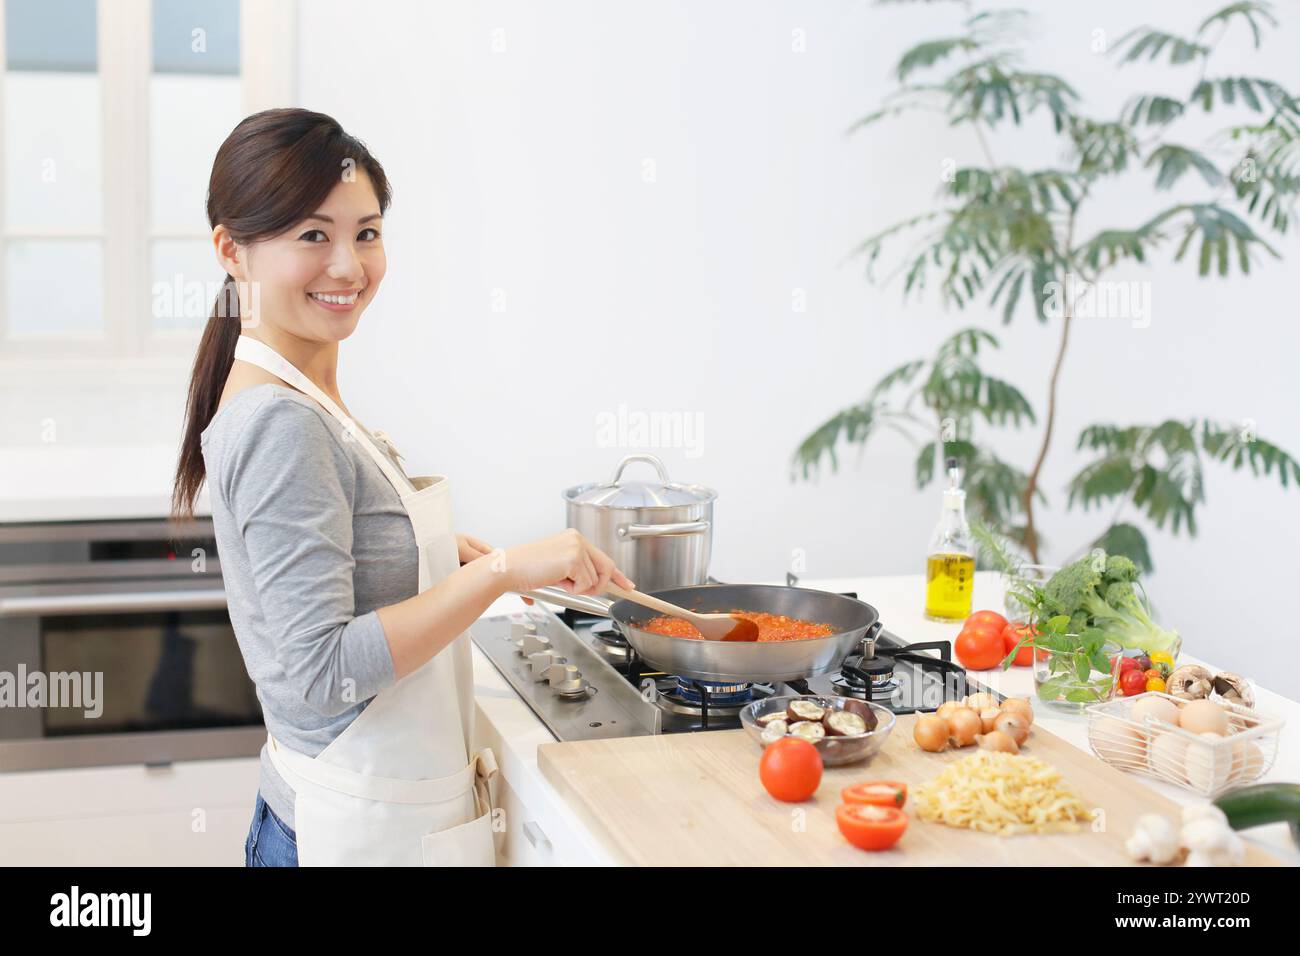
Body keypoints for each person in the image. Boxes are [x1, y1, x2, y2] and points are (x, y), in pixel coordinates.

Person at [171, 108, 632, 866]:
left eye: (367, 232)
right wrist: (501, 571)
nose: (348, 266)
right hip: (342, 828)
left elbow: (331, 568)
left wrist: (429, 552)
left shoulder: (306, 392)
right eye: (312, 235)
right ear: (232, 250)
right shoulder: (281, 422)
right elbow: (321, 671)